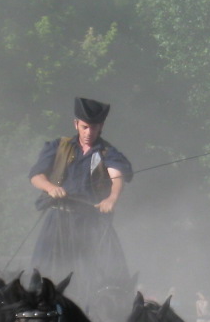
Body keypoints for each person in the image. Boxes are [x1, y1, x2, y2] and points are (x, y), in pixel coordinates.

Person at [29, 97, 133, 308]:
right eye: (85, 127)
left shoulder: (106, 152)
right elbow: (36, 176)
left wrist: (111, 198)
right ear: (76, 124)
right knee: (41, 273)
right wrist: (50, 188)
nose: (89, 132)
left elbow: (117, 176)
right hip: (58, 219)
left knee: (105, 274)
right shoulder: (59, 147)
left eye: (93, 128)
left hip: (90, 223)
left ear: (101, 127)